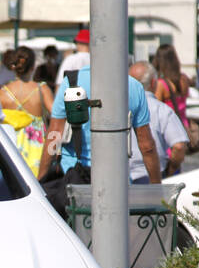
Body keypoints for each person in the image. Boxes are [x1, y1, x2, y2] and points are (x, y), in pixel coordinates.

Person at [41, 39, 162, 215]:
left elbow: (54, 136)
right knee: (117, 239)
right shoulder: (133, 86)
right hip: (116, 183)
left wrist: (41, 179)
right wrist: (156, 191)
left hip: (73, 184)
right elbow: (147, 147)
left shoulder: (71, 82)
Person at [0, 45, 53, 173]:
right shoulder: (41, 89)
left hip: (10, 148)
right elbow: (57, 115)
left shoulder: (1, 93)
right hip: (37, 150)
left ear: (14, 66)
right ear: (33, 67)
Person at [128, 62, 189, 181]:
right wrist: (171, 170)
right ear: (153, 83)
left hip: (122, 179)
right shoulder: (162, 110)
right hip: (153, 177)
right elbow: (179, 146)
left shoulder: (117, 109)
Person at [151, 42, 197, 146]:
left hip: (168, 131)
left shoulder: (161, 84)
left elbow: (155, 110)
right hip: (183, 127)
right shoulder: (184, 79)